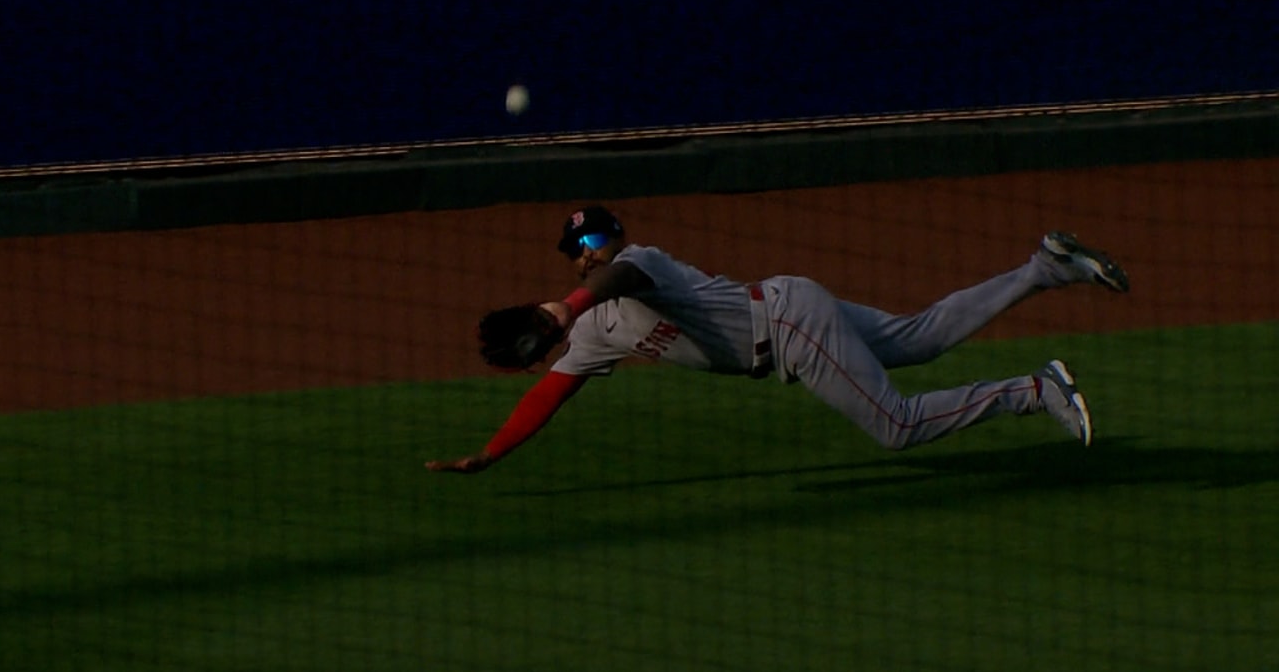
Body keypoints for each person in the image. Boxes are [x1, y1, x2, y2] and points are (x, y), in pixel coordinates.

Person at [427, 204, 1129, 474]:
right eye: (575, 244)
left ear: (608, 239)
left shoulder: (642, 263)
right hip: (793, 306)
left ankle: (1035, 390)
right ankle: (1045, 267)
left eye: (593, 237)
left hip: (788, 327)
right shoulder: (594, 336)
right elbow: (550, 393)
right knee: (918, 339)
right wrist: (492, 452)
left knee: (897, 427)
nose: (588, 249)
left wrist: (563, 310)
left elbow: (614, 280)